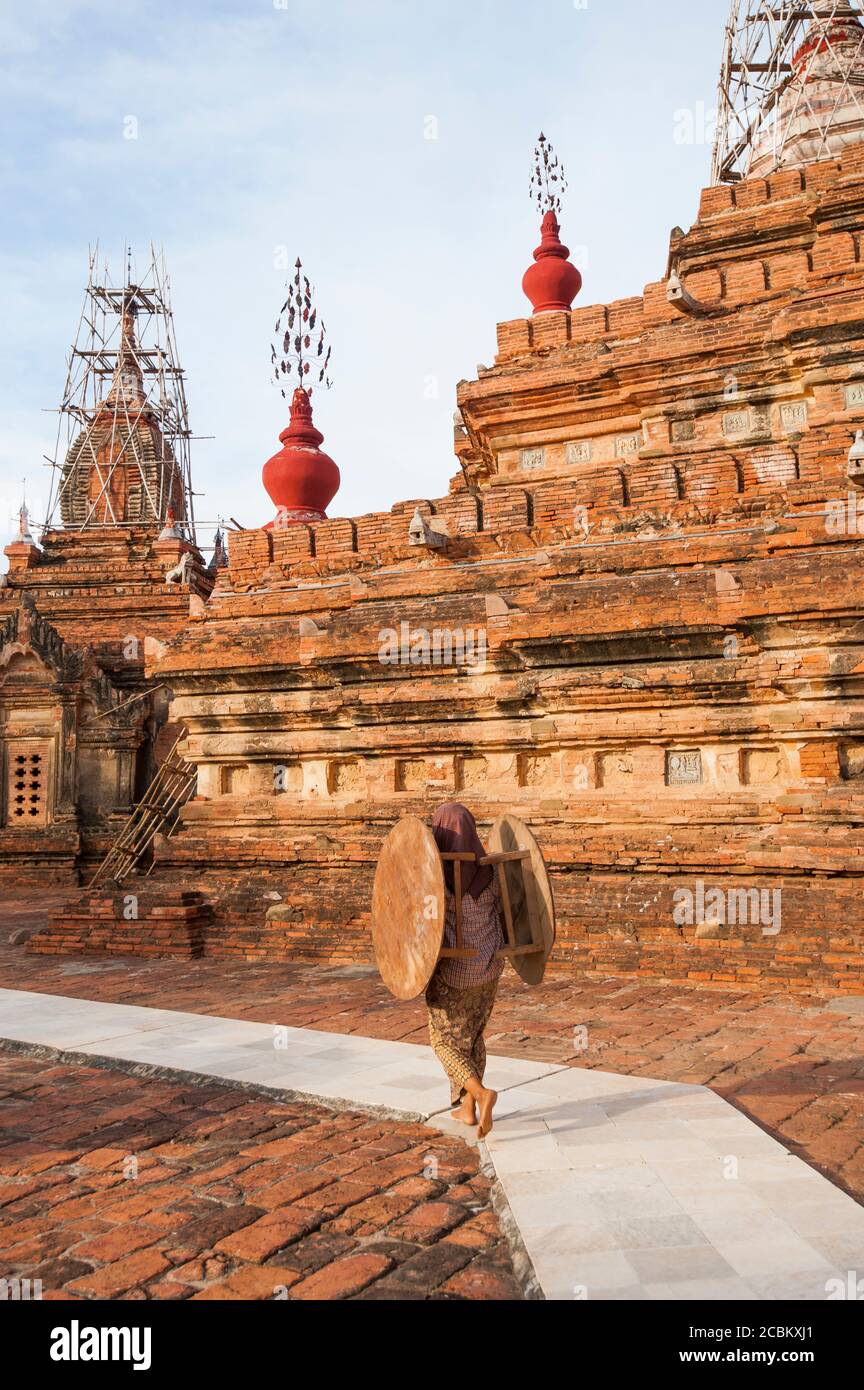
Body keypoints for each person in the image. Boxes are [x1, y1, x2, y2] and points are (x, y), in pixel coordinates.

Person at [426, 803, 505, 1139]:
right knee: (472, 1036)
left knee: (444, 1041)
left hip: (455, 972)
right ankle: (467, 1108)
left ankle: (482, 1093)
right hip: (489, 967)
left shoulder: (436, 879)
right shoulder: (491, 872)